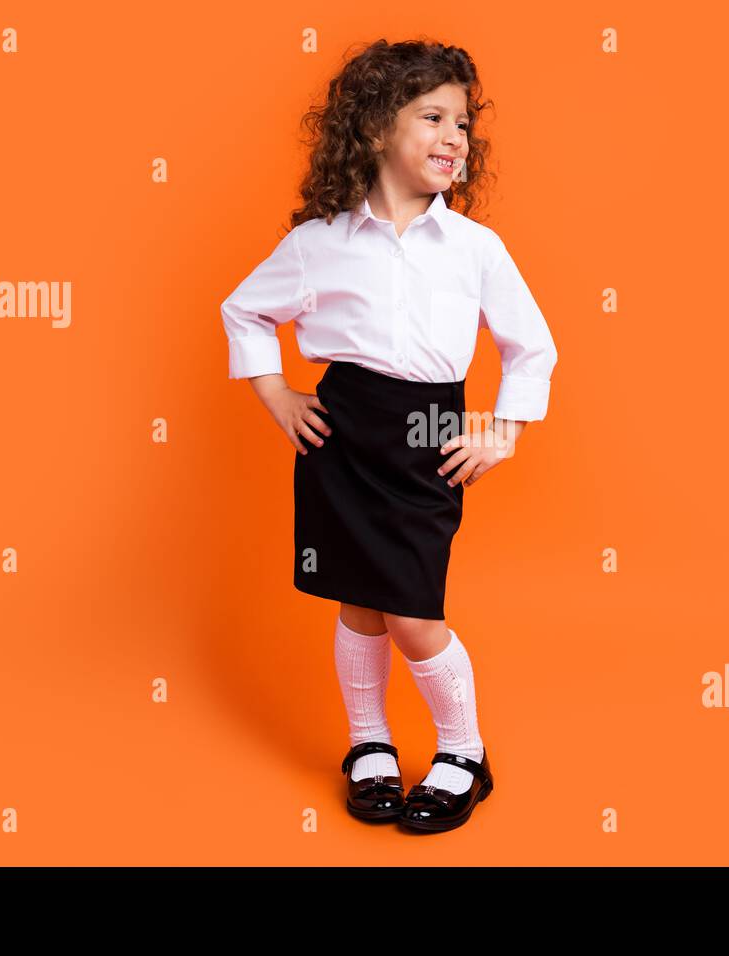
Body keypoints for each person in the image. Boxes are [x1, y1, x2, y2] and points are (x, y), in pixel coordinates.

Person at [220, 38, 557, 832]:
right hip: (344, 426)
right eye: (431, 116)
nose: (454, 136)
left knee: (412, 608)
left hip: (432, 421)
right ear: (375, 130)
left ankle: (463, 750)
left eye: (463, 123)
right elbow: (243, 309)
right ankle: (368, 746)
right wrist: (275, 394)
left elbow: (530, 346)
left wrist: (500, 431)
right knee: (361, 604)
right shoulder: (319, 242)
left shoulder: (477, 249)